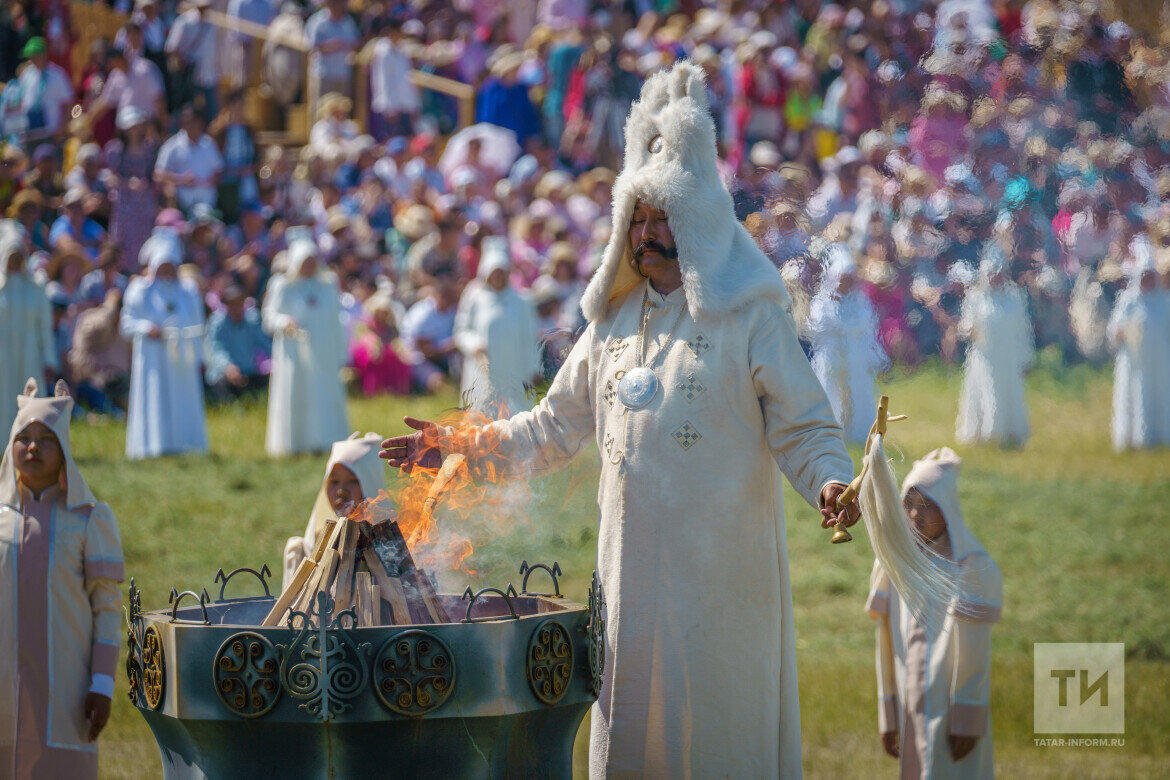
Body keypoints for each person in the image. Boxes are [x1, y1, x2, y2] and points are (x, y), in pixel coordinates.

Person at [382, 63, 858, 778]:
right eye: (636, 216)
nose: (646, 232)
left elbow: (805, 428)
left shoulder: (750, 315)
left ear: (698, 220)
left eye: (661, 216)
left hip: (721, 577)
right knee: (637, 732)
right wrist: (461, 449)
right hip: (627, 575)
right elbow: (550, 429)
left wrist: (830, 482)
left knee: (717, 736)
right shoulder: (609, 326)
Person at [0, 378, 125, 778]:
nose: (33, 447)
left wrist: (102, 684)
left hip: (67, 692)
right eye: (24, 437)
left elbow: (106, 608)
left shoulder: (89, 520)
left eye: (46, 439)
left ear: (65, 450)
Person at [867, 447, 1001, 779]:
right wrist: (889, 713)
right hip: (910, 707)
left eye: (927, 504)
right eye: (908, 503)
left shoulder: (972, 567)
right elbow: (884, 643)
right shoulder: (894, 563)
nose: (915, 514)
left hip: (950, 713)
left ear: (949, 507)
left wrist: (968, 719)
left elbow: (975, 653)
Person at [120, 229, 209, 459]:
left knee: (183, 398)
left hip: (182, 357)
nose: (167, 270)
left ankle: (186, 443)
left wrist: (200, 357)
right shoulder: (141, 289)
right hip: (153, 357)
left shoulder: (188, 290)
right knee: (155, 396)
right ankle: (153, 444)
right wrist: (147, 329)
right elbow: (126, 323)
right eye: (162, 265)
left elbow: (198, 326)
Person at [262, 238, 349, 456]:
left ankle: (325, 440)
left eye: (312, 261)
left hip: (323, 353)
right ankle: (295, 443)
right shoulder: (283, 285)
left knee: (323, 395)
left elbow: (336, 320)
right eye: (304, 261)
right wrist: (285, 322)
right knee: (297, 394)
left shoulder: (327, 284)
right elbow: (268, 317)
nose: (308, 266)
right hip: (294, 352)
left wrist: (341, 354)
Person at [281, 432, 390, 591]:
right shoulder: (309, 549)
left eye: (353, 481)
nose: (341, 491)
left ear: (370, 483)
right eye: (334, 481)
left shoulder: (392, 545)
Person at [807, 244, 889, 443]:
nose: (846, 284)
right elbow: (817, 328)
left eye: (849, 279)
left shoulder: (860, 302)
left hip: (854, 359)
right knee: (831, 394)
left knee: (857, 394)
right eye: (842, 279)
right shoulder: (822, 303)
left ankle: (857, 431)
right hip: (832, 359)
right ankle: (830, 431)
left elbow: (865, 326)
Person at [453, 236, 542, 417]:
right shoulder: (474, 296)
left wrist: (533, 368)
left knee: (513, 417)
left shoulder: (522, 301)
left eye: (502, 272)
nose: (498, 277)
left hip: (513, 369)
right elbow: (461, 330)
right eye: (494, 272)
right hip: (483, 368)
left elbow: (530, 337)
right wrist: (474, 344)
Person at [956, 245, 1034, 447]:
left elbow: (1022, 330)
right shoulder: (976, 298)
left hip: (1008, 356)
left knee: (1008, 392)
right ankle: (984, 434)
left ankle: (1009, 432)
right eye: (991, 274)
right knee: (985, 391)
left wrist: (1025, 358)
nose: (995, 278)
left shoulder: (1014, 297)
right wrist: (970, 329)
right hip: (985, 355)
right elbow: (965, 325)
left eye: (998, 274)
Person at [1107, 245, 1170, 450]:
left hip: (1160, 360)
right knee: (1137, 393)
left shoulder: (1164, 301)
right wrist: (1123, 331)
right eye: (1144, 276)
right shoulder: (1128, 300)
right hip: (1135, 361)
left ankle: (1160, 435)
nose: (1147, 281)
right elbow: (1114, 329)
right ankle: (1137, 438)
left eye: (1150, 276)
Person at [0, 223, 57, 433]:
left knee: (29, 394)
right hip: (3, 355)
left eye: (18, 255)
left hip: (30, 352)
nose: (15, 260)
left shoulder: (35, 287)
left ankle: (30, 438)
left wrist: (49, 359)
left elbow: (44, 326)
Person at [70, 288, 131, 416]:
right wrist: (111, 307)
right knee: (104, 405)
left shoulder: (126, 326)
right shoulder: (89, 318)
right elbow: (100, 326)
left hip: (120, 381)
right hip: (94, 380)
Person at [204, 285, 271, 401]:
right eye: (232, 303)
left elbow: (263, 342)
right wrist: (227, 366)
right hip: (223, 374)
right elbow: (215, 348)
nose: (236, 306)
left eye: (239, 302)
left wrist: (278, 359)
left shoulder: (251, 319)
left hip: (248, 371)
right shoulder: (217, 323)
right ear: (226, 304)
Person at [154, 107, 223, 215]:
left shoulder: (209, 144)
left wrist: (211, 180)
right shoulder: (172, 146)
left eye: (195, 121)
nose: (192, 126)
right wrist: (181, 179)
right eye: (189, 122)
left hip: (208, 204)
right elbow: (158, 173)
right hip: (182, 206)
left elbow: (219, 170)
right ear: (182, 124)